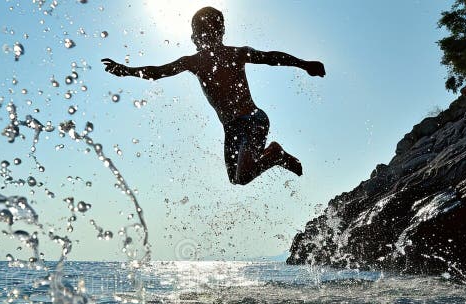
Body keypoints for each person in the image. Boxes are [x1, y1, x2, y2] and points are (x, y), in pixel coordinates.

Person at [101, 6, 325, 185]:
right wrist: (127, 71)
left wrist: (304, 64)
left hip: (252, 120)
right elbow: (158, 72)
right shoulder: (197, 61)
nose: (196, 38)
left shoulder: (229, 55)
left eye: (198, 33)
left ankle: (275, 154)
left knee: (244, 175)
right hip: (232, 128)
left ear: (209, 34)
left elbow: (270, 57)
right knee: (235, 179)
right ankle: (272, 155)